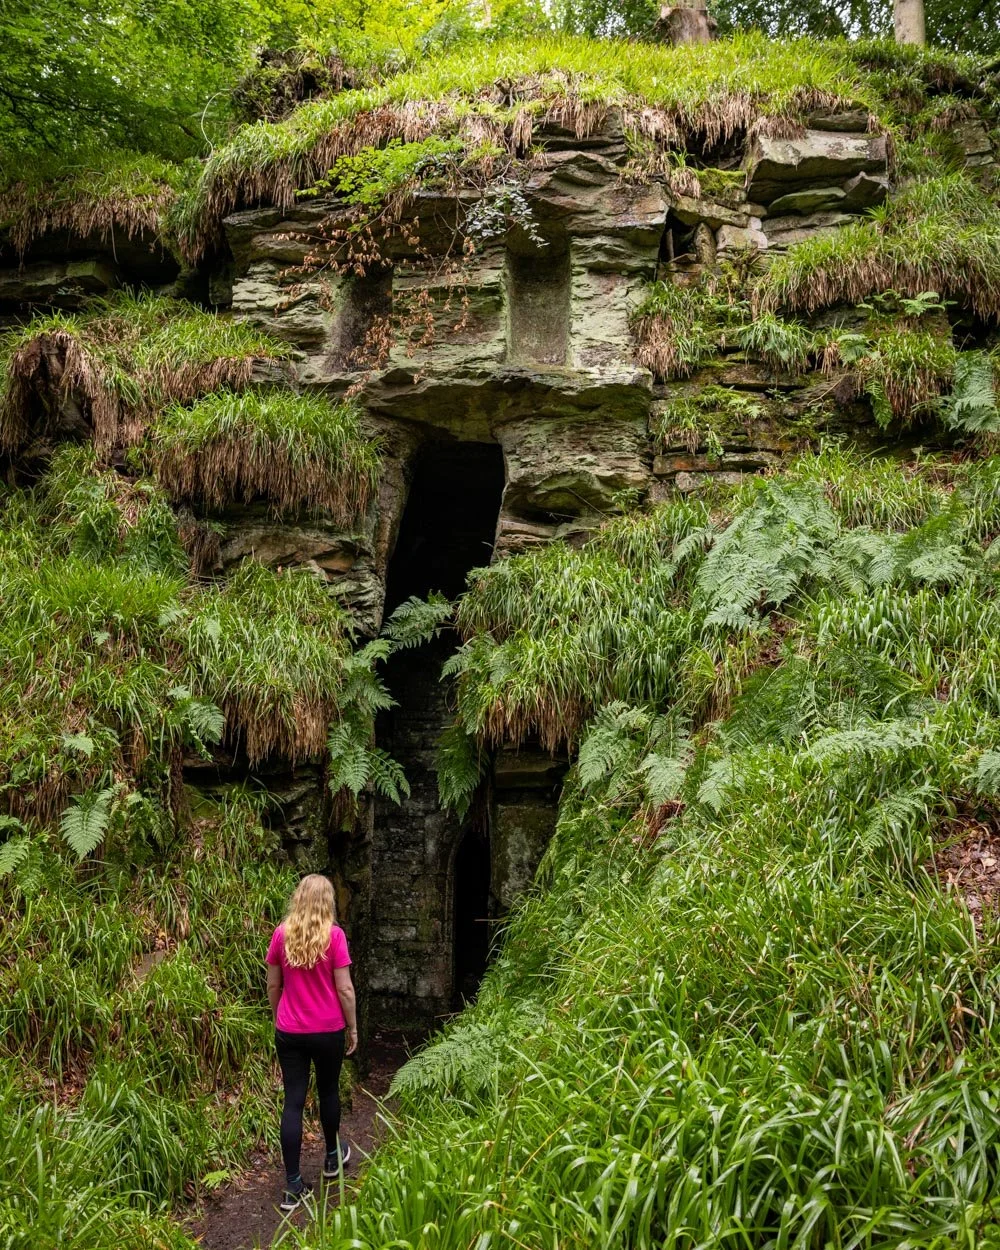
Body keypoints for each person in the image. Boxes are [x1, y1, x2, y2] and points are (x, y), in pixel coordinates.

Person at [266, 873, 358, 1211]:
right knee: (329, 1091)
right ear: (327, 902)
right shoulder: (334, 937)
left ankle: (292, 1187)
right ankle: (332, 1159)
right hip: (327, 1029)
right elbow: (345, 989)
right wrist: (353, 1028)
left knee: (293, 1101)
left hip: (290, 1031)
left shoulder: (281, 935)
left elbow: (273, 986)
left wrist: (282, 1017)